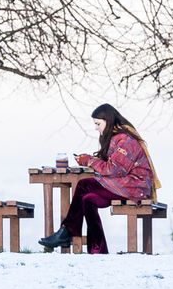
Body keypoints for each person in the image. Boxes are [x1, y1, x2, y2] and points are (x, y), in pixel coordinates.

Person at [39, 103, 159, 253]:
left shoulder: (125, 141)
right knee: (87, 199)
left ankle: (67, 231)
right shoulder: (115, 138)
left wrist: (89, 161)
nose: (96, 128)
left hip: (135, 186)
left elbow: (114, 169)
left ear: (108, 121)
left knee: (84, 184)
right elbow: (112, 165)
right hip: (124, 184)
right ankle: (97, 250)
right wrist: (91, 159)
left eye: (98, 124)